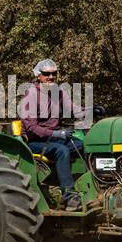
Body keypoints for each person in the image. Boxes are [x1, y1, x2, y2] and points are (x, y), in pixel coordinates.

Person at [18, 58, 83, 210]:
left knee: (83, 146)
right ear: (38, 76)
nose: (51, 77)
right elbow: (32, 128)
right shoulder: (31, 96)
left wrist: (91, 110)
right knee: (62, 151)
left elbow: (74, 108)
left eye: (54, 74)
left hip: (53, 138)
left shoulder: (58, 92)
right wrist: (57, 134)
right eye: (47, 74)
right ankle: (68, 197)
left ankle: (84, 186)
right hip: (34, 142)